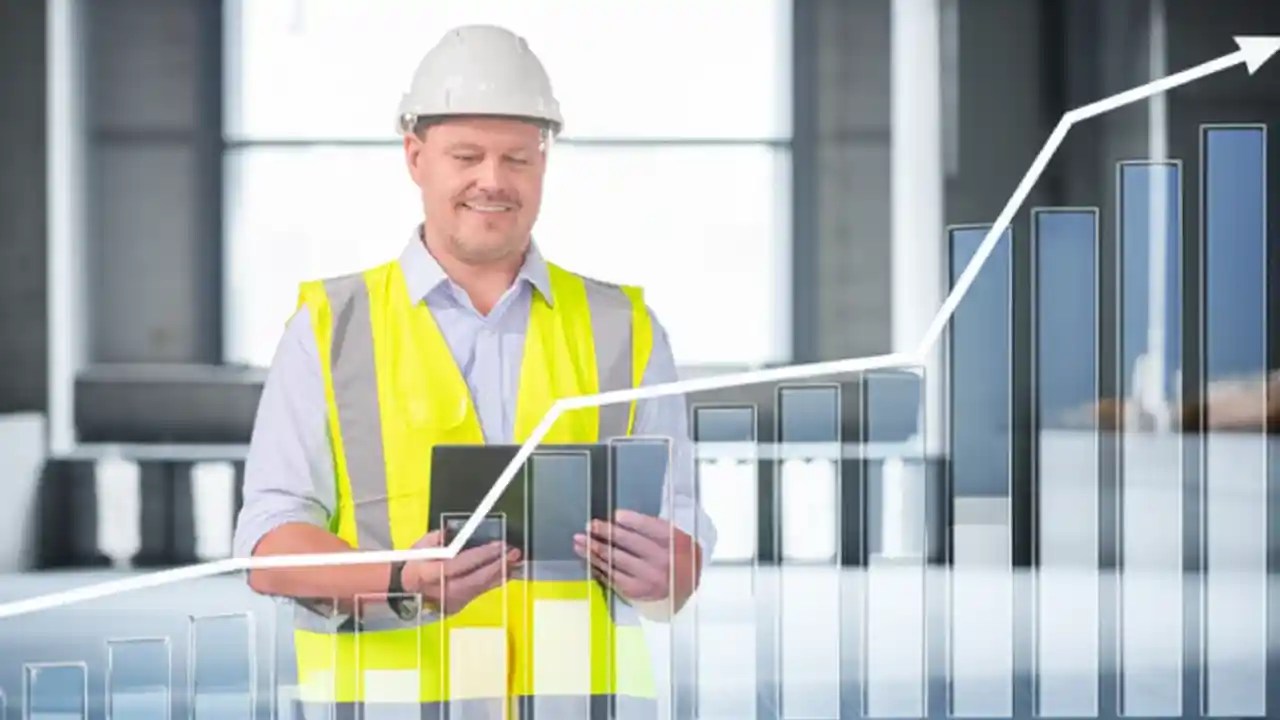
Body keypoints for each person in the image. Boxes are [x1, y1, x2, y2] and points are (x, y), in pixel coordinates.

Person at [231, 23, 716, 719]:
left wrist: (671, 572)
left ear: (544, 162)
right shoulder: (330, 327)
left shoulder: (624, 329)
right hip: (387, 706)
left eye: (517, 158)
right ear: (414, 156)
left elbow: (680, 546)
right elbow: (270, 545)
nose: (492, 180)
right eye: (467, 155)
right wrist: (399, 578)